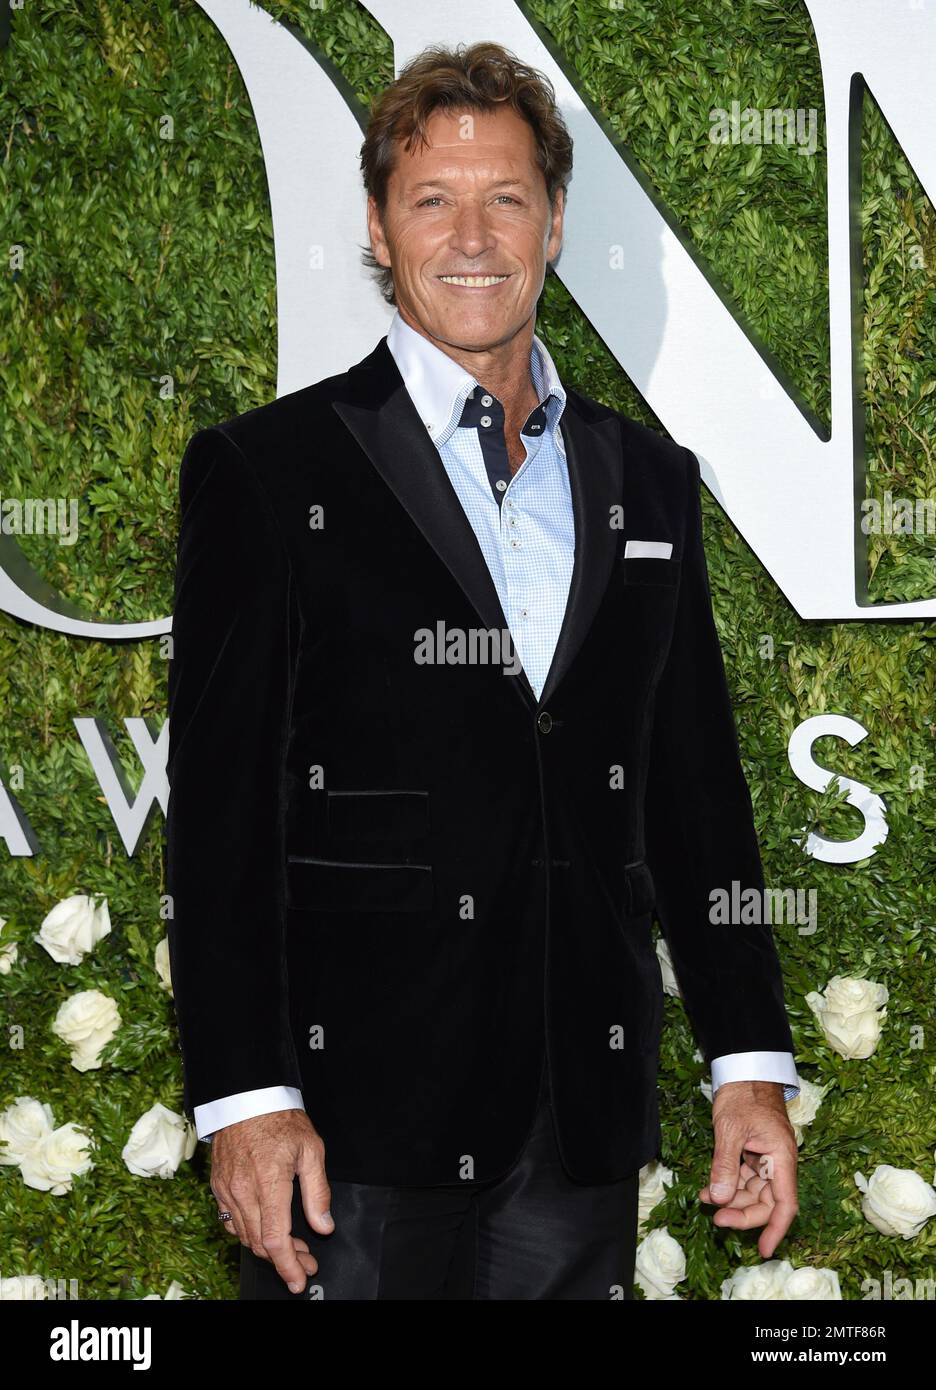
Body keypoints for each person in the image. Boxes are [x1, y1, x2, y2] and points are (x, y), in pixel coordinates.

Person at [165, 40, 799, 1301]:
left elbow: (695, 795)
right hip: (348, 1140)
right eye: (432, 199)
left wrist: (749, 1061)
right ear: (378, 225)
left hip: (573, 1128)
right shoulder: (269, 472)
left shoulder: (648, 480)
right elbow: (222, 816)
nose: (472, 235)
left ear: (555, 223)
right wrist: (244, 1097)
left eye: (505, 197)